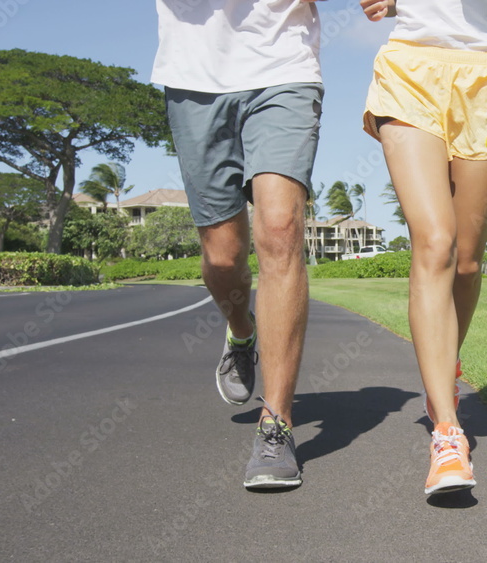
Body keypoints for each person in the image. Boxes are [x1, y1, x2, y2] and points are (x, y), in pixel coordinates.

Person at [359, 0, 487, 495]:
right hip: (411, 68)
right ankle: (447, 431)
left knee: (466, 261)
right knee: (435, 241)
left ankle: (446, 366)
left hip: (486, 73)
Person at [152, 0, 325, 489]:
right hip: (195, 76)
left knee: (280, 229)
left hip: (284, 65)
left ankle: (276, 424)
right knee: (224, 256)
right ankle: (241, 331)